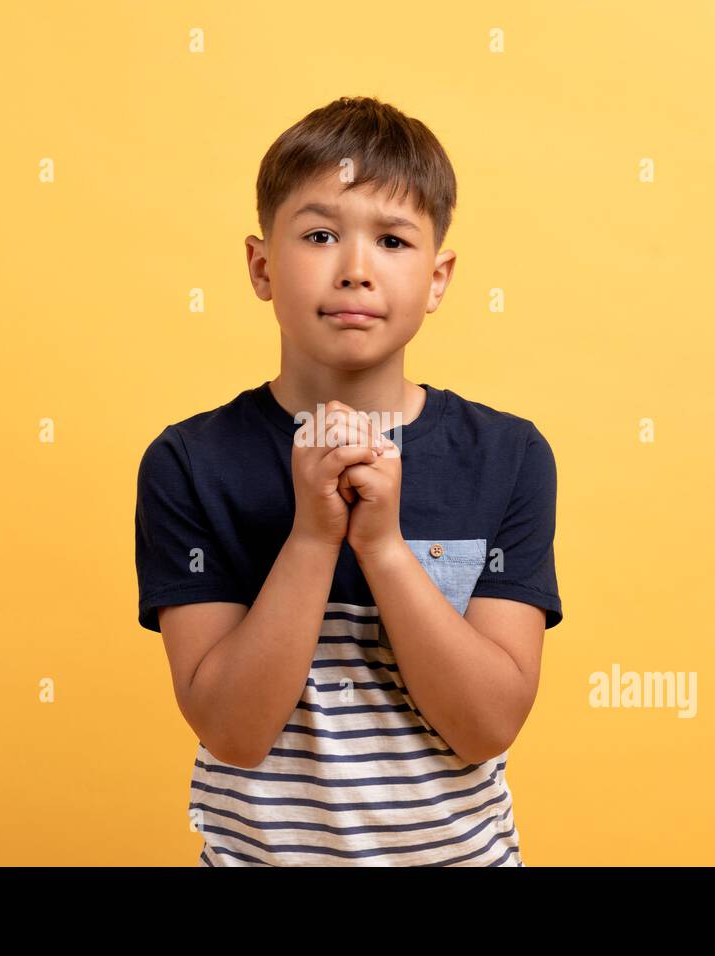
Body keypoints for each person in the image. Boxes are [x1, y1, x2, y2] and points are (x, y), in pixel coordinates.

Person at [135, 96, 562, 866]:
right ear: (263, 266)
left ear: (437, 279)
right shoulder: (189, 463)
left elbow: (487, 724)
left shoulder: (508, 456)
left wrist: (387, 550)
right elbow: (233, 731)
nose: (357, 269)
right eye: (322, 234)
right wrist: (310, 535)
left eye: (392, 240)